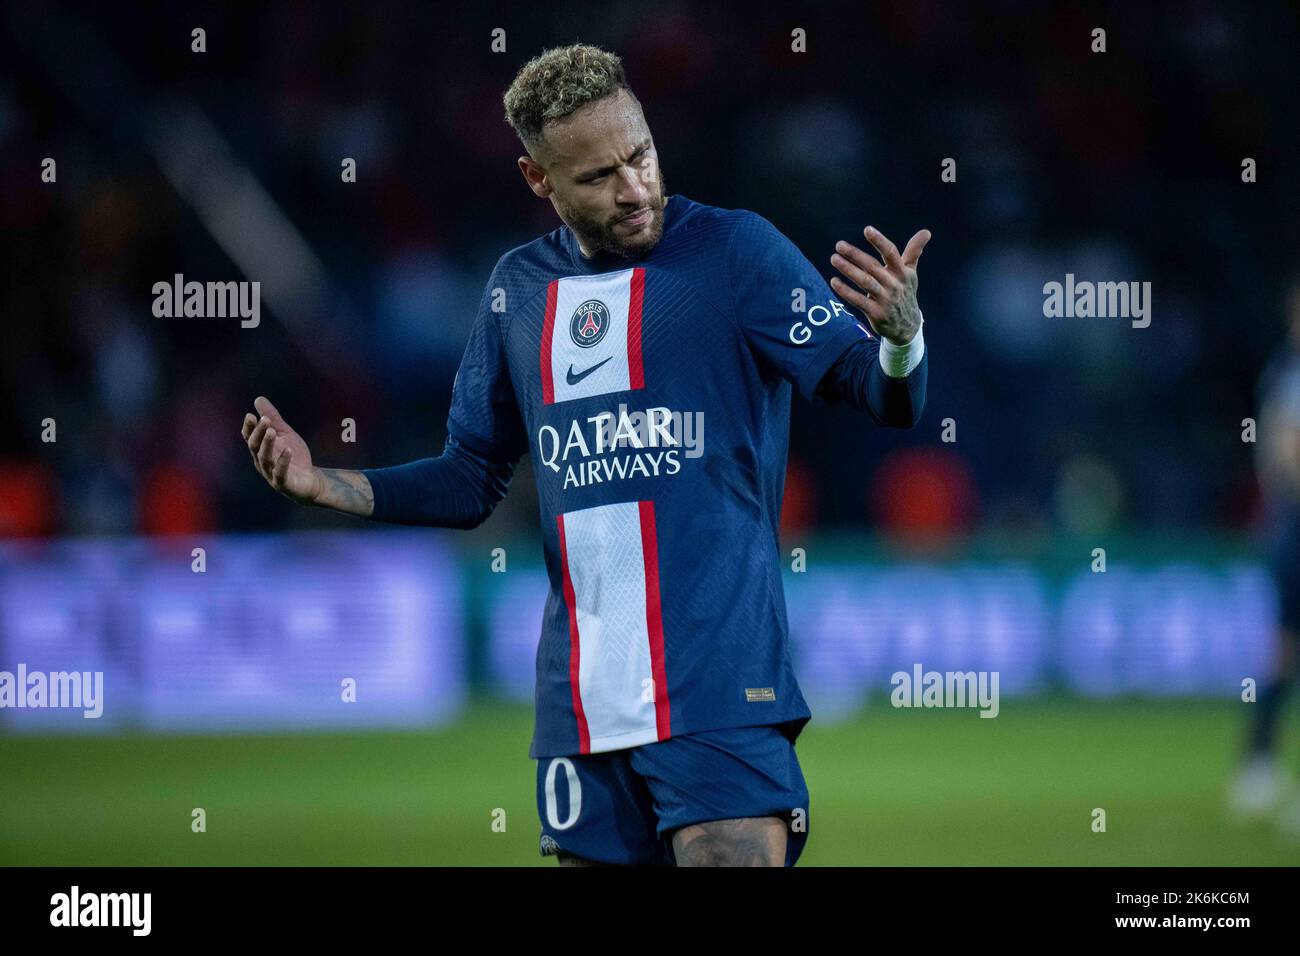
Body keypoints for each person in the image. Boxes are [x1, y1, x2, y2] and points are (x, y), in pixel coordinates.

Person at [242, 43, 931, 865]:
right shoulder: (516, 292)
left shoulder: (736, 253)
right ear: (540, 181)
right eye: (599, 176)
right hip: (580, 708)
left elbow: (882, 395)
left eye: (640, 155)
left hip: (719, 688)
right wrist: (329, 485)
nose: (635, 187)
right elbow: (470, 479)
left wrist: (901, 337)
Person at [1231, 277, 1300, 831]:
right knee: (1283, 647)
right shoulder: (1289, 375)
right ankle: (1257, 766)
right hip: (1294, 526)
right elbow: (1282, 460)